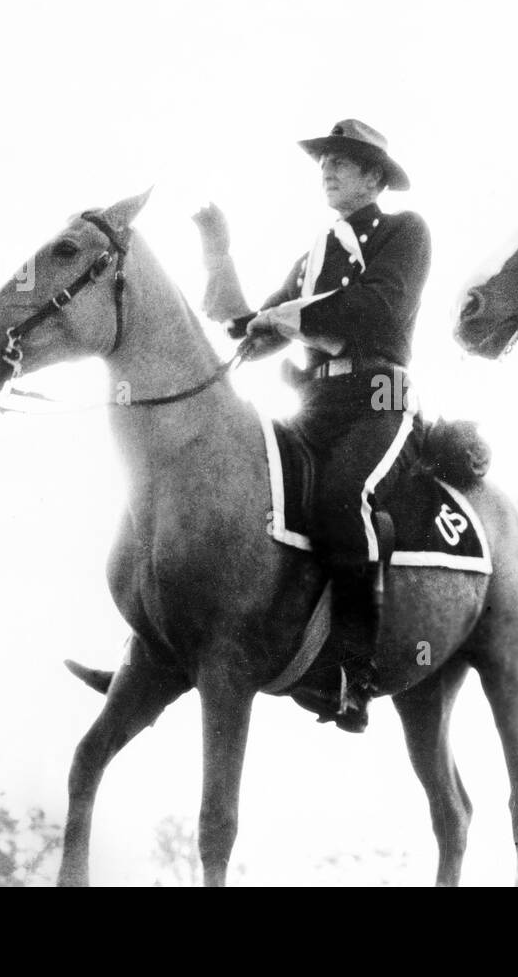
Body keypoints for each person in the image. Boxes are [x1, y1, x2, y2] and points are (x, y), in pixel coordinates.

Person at [193, 119, 430, 731]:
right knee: (241, 490)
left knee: (342, 497)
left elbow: (378, 309)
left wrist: (287, 316)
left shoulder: (404, 232)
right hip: (314, 407)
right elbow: (253, 330)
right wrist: (217, 253)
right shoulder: (312, 258)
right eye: (323, 160)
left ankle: (358, 670)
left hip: (376, 401)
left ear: (374, 177)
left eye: (342, 162)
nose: (326, 169)